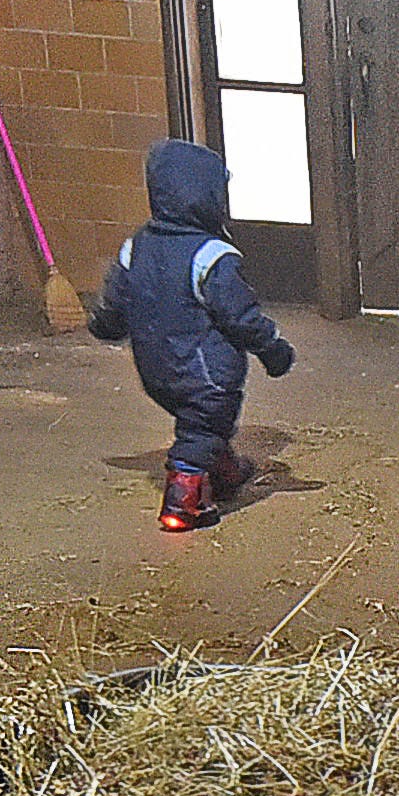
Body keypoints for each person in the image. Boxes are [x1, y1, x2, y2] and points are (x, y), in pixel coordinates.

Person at [88, 137, 295, 530]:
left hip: (155, 372)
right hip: (206, 375)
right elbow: (241, 316)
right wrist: (273, 349)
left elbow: (116, 299)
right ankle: (183, 502)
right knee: (204, 422)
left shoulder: (136, 248)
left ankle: (226, 470)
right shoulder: (212, 256)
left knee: (200, 423)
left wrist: (104, 325)